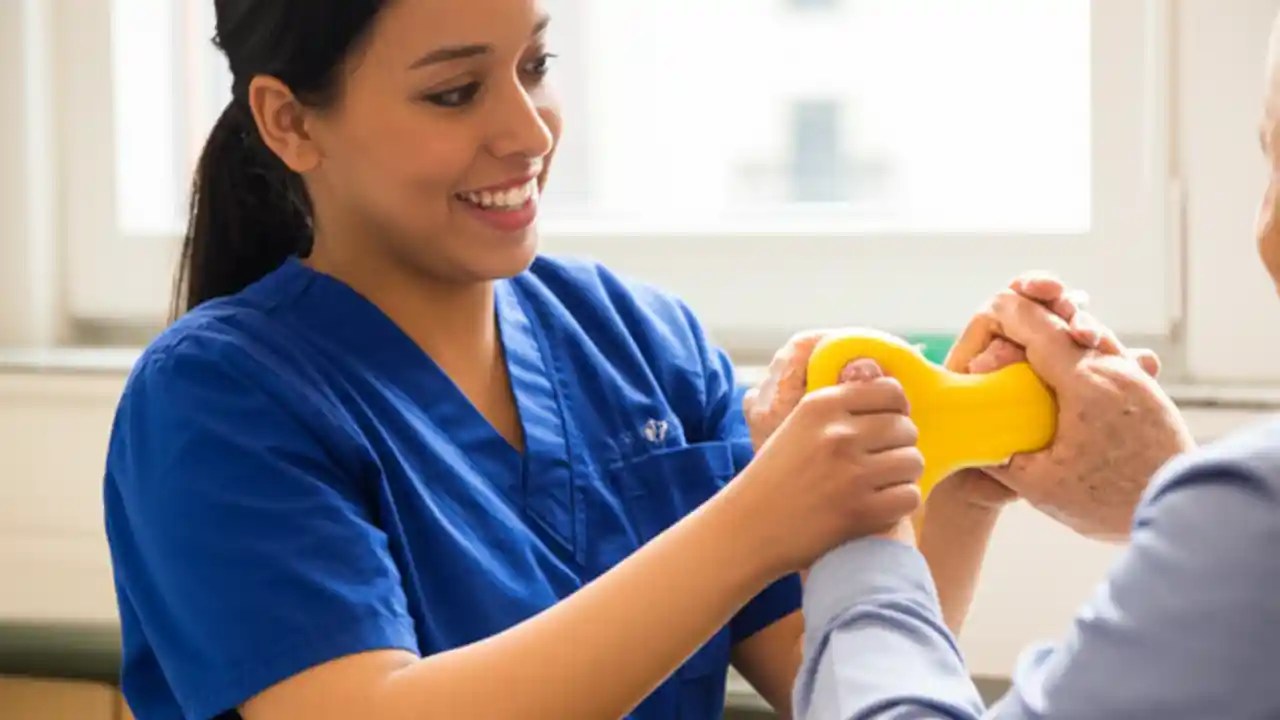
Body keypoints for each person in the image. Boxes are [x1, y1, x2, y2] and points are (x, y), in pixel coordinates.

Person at [99, 2, 1122, 718]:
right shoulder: (216, 400)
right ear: (289, 121)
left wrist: (958, 486)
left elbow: (829, 670)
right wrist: (756, 520)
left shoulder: (640, 339)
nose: (526, 128)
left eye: (533, 67)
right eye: (455, 92)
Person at [787, 13, 1280, 720]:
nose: (1264, 231)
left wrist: (860, 533)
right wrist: (1170, 487)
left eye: (1276, 160)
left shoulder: (1254, 516)